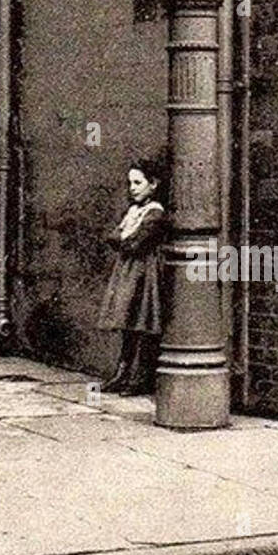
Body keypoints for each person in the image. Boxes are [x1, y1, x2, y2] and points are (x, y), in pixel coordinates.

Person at [97, 160, 167, 396]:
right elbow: (113, 236)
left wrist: (124, 239)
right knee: (128, 323)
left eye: (138, 182)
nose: (133, 188)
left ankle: (139, 377)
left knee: (142, 323)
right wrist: (123, 239)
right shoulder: (134, 211)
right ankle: (122, 373)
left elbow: (134, 243)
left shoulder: (155, 212)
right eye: (130, 183)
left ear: (153, 184)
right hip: (128, 271)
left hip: (144, 273)